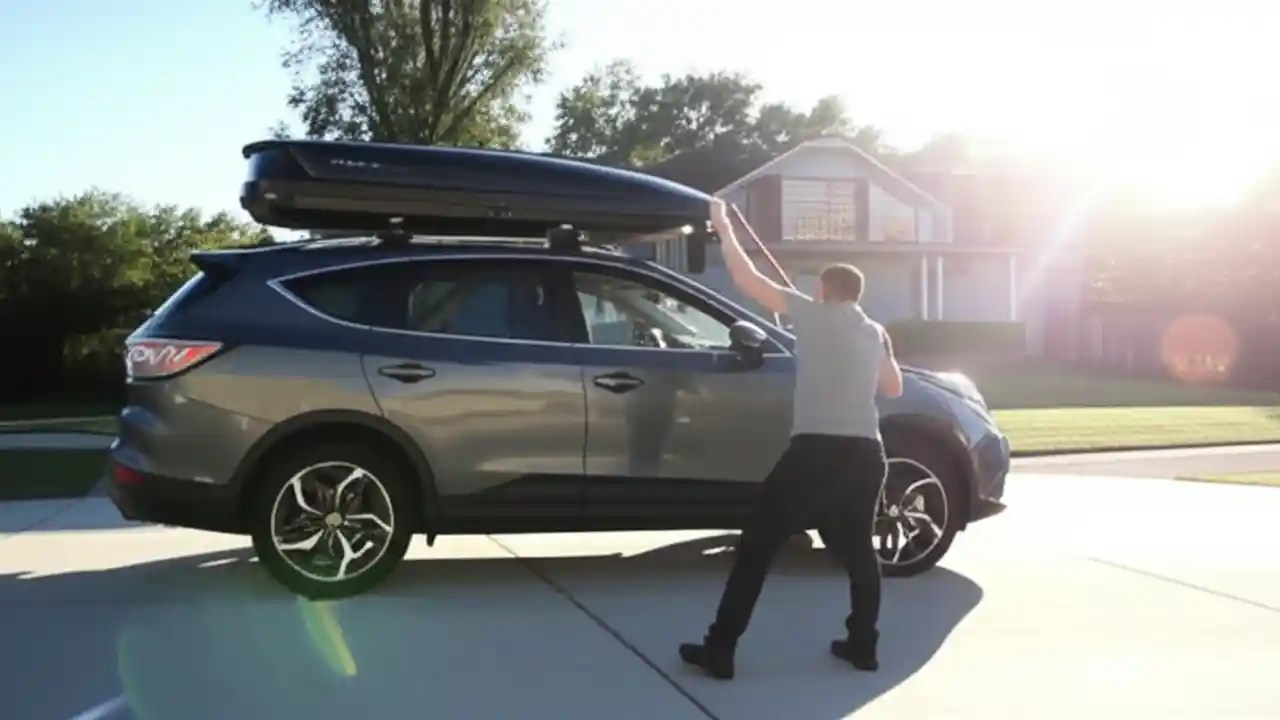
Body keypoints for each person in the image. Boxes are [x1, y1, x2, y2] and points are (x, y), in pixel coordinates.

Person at [679, 198, 904, 680]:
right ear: (857, 294)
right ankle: (863, 645)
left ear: (825, 289)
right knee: (861, 551)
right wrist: (879, 346)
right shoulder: (874, 331)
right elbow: (894, 387)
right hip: (867, 453)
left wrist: (722, 224)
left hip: (815, 452)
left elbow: (747, 279)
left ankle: (721, 648)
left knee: (758, 547)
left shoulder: (810, 312)